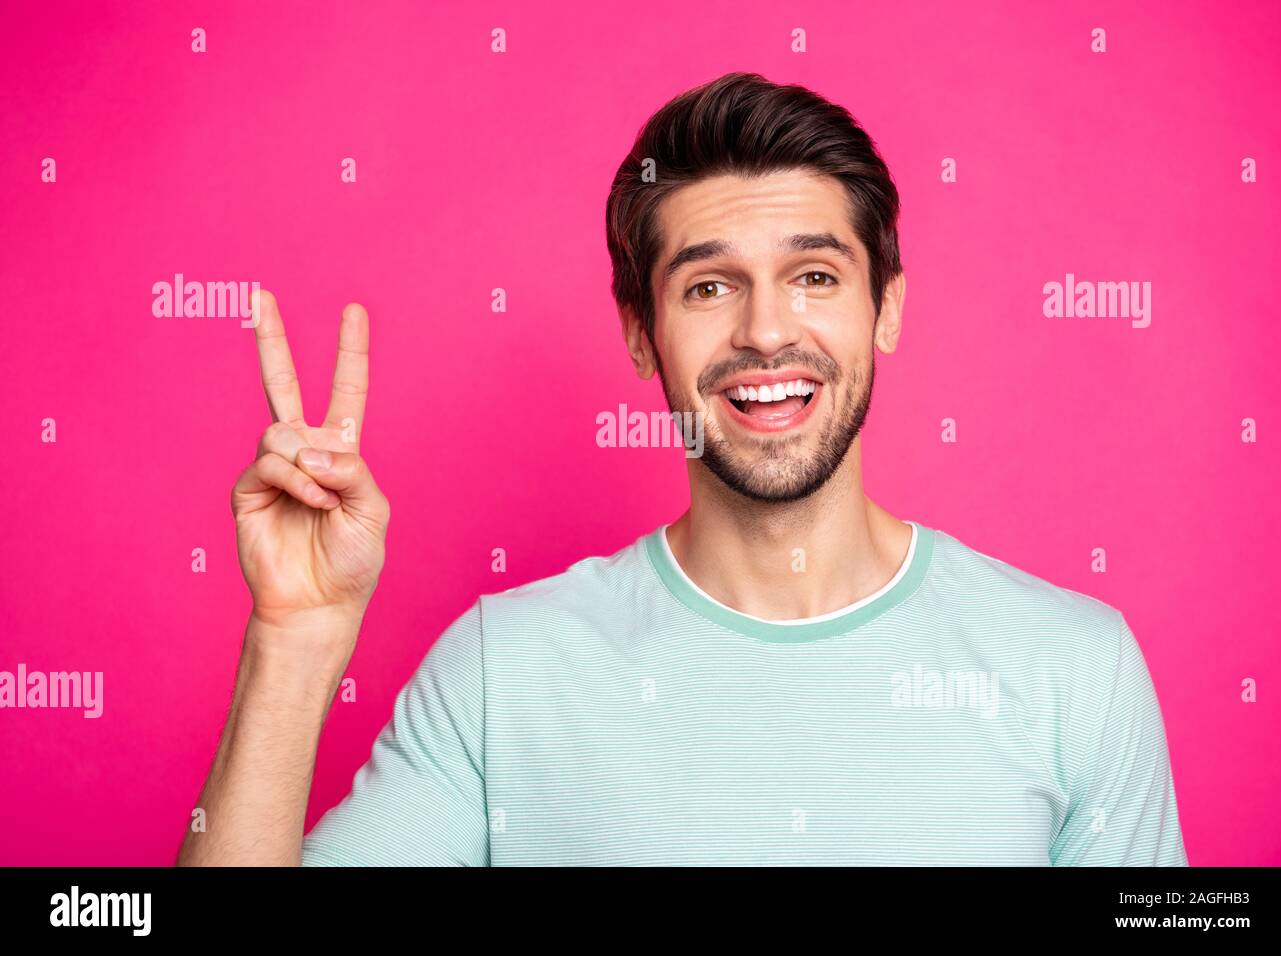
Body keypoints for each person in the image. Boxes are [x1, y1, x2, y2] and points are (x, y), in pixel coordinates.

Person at [178, 72, 1187, 866]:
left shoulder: (1073, 668)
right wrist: (293, 640)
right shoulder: (504, 672)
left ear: (885, 307)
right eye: (708, 285)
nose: (764, 331)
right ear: (639, 331)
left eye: (814, 277)